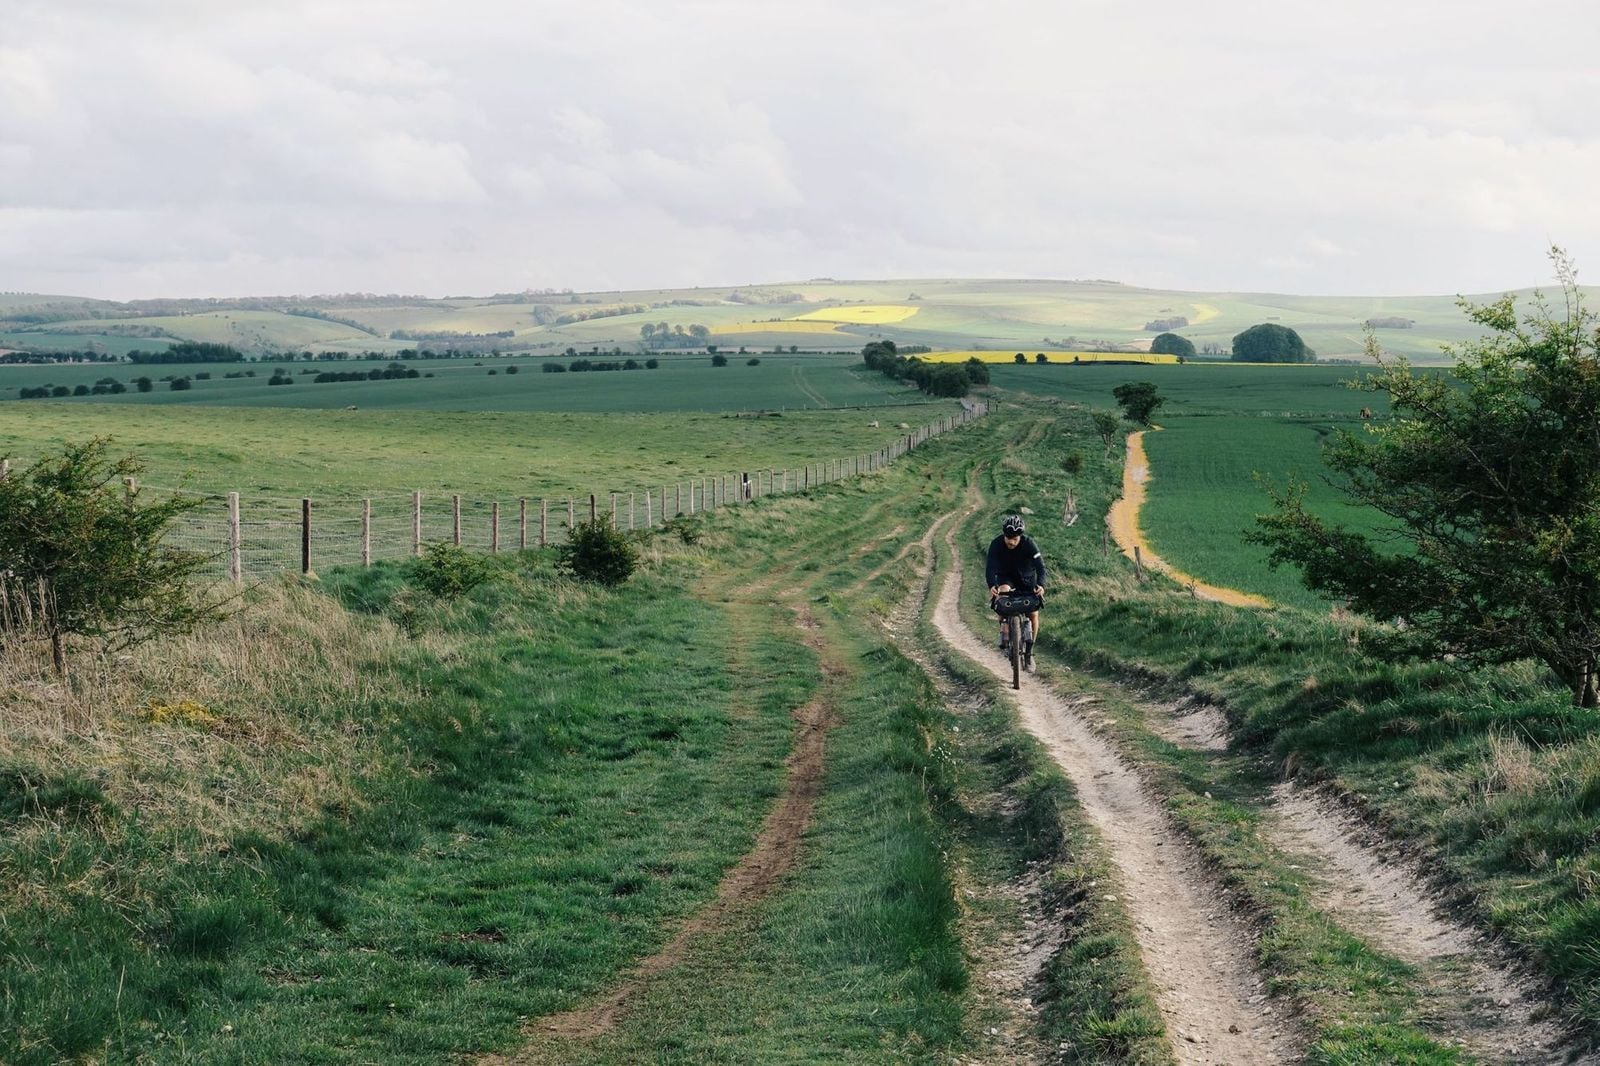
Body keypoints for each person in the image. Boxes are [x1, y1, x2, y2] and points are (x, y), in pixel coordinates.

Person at [986, 514, 1045, 655]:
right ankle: (1005, 633)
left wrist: (1041, 585)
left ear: (1020, 536)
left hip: (1027, 579)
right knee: (1002, 599)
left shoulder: (1029, 544)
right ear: (1004, 535)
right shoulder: (996, 544)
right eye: (1008, 538)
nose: (1011, 542)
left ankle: (1029, 652)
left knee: (1033, 614)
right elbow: (990, 568)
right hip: (1006, 577)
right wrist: (991, 585)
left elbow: (1041, 567)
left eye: (1015, 539)